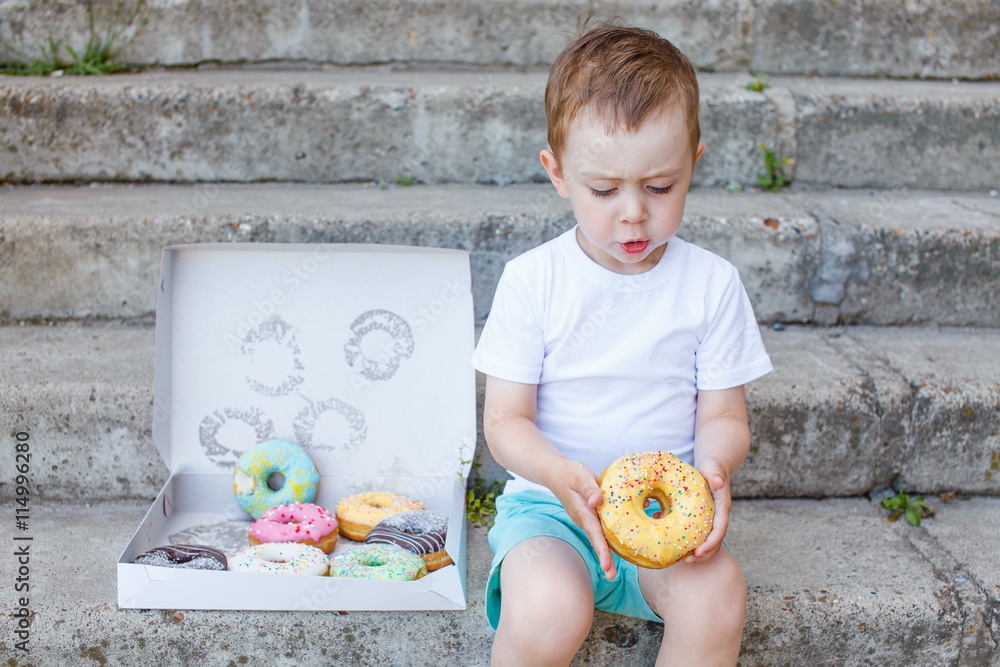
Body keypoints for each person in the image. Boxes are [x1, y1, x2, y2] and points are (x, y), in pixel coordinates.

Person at [471, 23, 774, 667]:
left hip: (669, 522)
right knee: (550, 608)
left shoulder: (710, 284)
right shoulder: (535, 280)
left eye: (660, 187)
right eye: (604, 190)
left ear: (694, 160)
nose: (633, 213)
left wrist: (716, 469)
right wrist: (557, 475)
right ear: (558, 173)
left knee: (718, 594)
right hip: (550, 511)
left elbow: (722, 415)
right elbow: (505, 421)